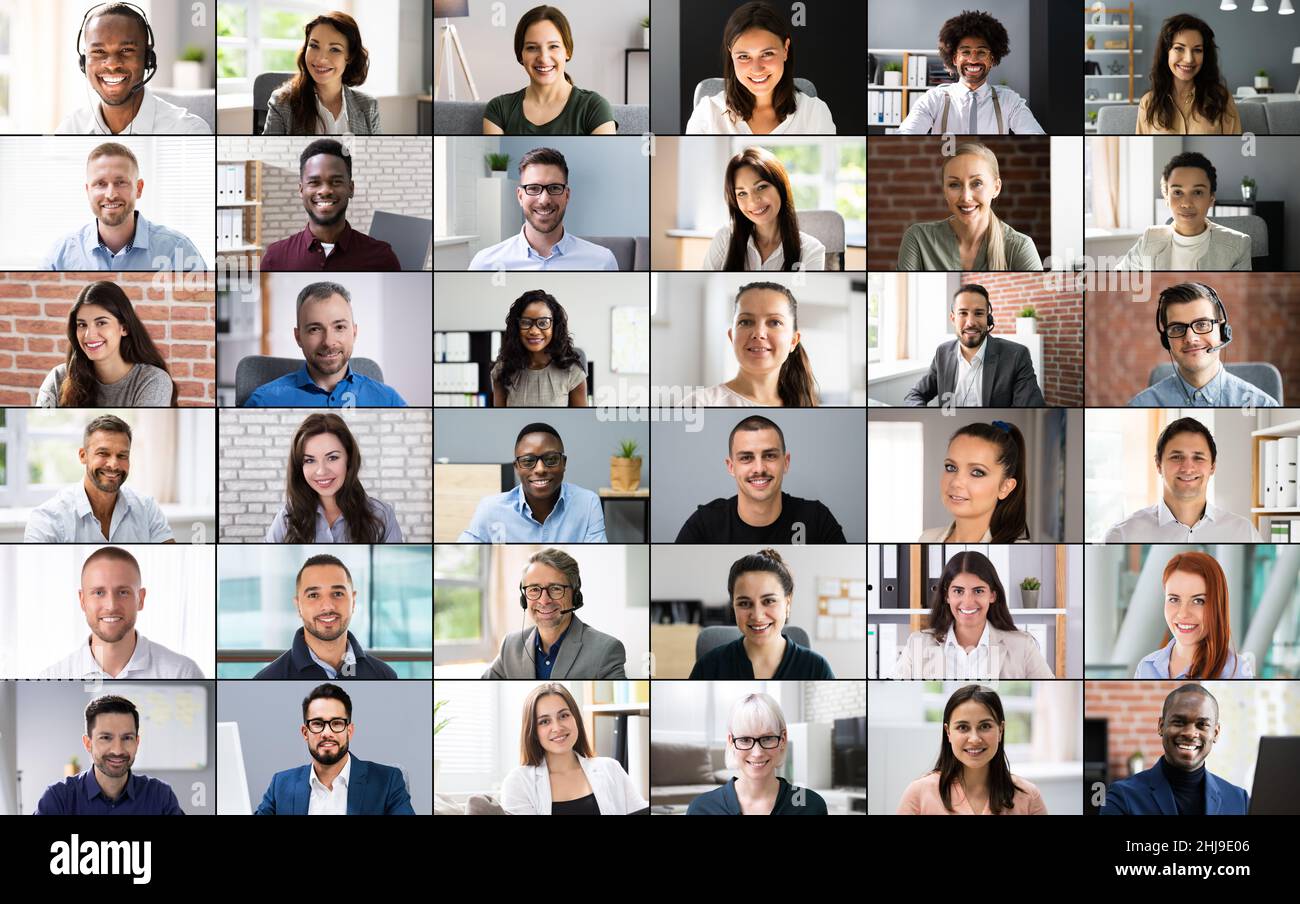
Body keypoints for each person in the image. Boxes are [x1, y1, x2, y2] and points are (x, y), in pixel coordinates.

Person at [675, 415, 846, 543]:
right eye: (746, 458)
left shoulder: (816, 519)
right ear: (731, 467)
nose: (759, 468)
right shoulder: (705, 524)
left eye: (770, 456)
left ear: (785, 463)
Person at [39, 546, 202, 678]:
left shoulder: (182, 673)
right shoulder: (52, 677)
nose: (111, 605)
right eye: (99, 593)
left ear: (141, 599)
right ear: (82, 600)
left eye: (123, 592)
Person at [254, 683, 415, 815]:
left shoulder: (387, 781)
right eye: (317, 723)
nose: (327, 733)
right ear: (305, 732)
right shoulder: (281, 784)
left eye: (336, 723)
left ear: (349, 731)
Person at [43, 142, 205, 271]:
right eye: (100, 184)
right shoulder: (62, 253)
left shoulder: (177, 249)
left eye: (121, 182)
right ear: (88, 191)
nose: (111, 194)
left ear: (139, 188)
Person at [892, 551, 1052, 680]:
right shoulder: (917, 644)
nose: (968, 602)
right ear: (947, 596)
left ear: (992, 595)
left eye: (978, 591)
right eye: (958, 591)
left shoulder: (1023, 646)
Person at [242, 281, 407, 406]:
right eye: (315, 329)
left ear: (354, 332)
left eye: (340, 327)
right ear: (298, 337)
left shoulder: (389, 400)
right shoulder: (265, 402)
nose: (328, 342)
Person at [58, 2, 210, 135]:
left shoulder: (188, 131)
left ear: (147, 59)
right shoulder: (70, 129)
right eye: (98, 51)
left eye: (126, 50)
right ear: (84, 62)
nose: (112, 64)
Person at [684, 1, 834, 135]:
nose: (756, 69)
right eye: (744, 56)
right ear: (731, 55)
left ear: (785, 50)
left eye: (767, 54)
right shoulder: (707, 113)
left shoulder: (815, 113)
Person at [1103, 417, 1261, 542]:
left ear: (1212, 466)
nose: (1187, 468)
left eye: (1198, 457)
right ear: (1158, 464)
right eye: (1177, 457)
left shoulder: (1244, 532)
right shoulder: (1122, 535)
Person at [897, 684, 1047, 815]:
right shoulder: (918, 794)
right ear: (948, 732)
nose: (974, 739)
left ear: (1000, 730)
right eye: (963, 727)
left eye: (985, 726)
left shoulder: (1029, 797)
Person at [1100, 684, 1248, 815]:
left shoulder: (1239, 800)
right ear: (1161, 726)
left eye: (1202, 724)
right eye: (1179, 722)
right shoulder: (1122, 796)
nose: (1190, 733)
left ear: (1215, 733)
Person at [501, 683, 647, 814]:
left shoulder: (610, 769)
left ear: (575, 718)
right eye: (544, 721)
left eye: (564, 715)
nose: (557, 728)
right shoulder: (518, 782)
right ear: (533, 731)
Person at [25, 415, 174, 543]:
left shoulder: (147, 509)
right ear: (83, 456)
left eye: (122, 456)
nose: (114, 465)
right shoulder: (46, 520)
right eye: (103, 453)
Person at [482, 548, 627, 679]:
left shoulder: (606, 650)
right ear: (524, 597)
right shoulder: (511, 646)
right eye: (534, 589)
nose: (544, 601)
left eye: (556, 588)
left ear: (575, 595)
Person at [689, 549, 834, 678]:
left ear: (788, 603)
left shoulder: (818, 669)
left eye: (769, 601)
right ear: (733, 606)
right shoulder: (708, 667)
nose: (757, 616)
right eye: (744, 603)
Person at [259, 139, 401, 271]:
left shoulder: (382, 257)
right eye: (314, 182)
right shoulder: (275, 257)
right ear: (301, 190)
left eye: (336, 182)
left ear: (351, 189)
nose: (325, 191)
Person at [467, 147, 618, 271]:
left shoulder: (603, 261)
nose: (544, 199)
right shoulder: (484, 264)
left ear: (567, 195)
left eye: (554, 188)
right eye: (533, 188)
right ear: (520, 196)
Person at [896, 10, 1044, 135]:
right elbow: (905, 136)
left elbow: (1035, 137)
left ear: (992, 59)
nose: (973, 60)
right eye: (965, 52)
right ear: (954, 59)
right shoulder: (934, 100)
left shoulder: (1009, 101)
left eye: (981, 52)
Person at [897, 143, 1042, 271]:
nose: (966, 197)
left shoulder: (1020, 247)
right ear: (944, 190)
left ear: (996, 188)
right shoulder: (918, 239)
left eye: (977, 183)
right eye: (954, 184)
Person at [1128, 282, 1275, 406]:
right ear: (1166, 340)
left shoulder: (1261, 404)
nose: (1191, 338)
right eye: (1177, 328)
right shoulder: (1139, 405)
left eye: (1202, 325)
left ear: (1222, 331)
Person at [254, 554, 398, 679]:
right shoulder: (267, 681)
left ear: (353, 601)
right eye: (314, 595)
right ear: (298, 605)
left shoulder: (385, 676)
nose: (328, 606)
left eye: (337, 594)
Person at [34, 695, 184, 815]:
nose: (118, 750)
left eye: (127, 738)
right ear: (88, 743)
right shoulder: (58, 798)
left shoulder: (160, 796)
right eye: (106, 738)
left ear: (137, 742)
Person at [458, 422, 607, 542]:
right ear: (517, 467)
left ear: (564, 463)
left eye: (551, 459)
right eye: (528, 461)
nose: (540, 469)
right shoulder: (491, 508)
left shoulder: (587, 503)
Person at [36, 281, 176, 408]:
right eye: (82, 324)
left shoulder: (153, 381)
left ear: (124, 328)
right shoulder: (58, 378)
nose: (89, 335)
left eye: (101, 323)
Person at [266, 413, 403, 542]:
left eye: (332, 458)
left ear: (349, 459)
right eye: (309, 460)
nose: (321, 471)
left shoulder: (382, 516)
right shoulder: (286, 520)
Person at [904, 284, 1044, 407]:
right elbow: (914, 395)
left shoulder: (1016, 356)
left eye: (978, 313)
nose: (970, 322)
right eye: (963, 313)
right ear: (953, 318)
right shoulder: (943, 353)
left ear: (988, 319)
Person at [687, 693, 828, 815]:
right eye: (745, 740)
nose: (757, 753)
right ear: (731, 742)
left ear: (783, 739)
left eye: (767, 739)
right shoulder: (701, 807)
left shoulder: (810, 804)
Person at [484, 5, 615, 135]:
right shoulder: (499, 109)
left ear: (567, 51)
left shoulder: (594, 107)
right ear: (521, 55)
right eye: (532, 47)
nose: (543, 58)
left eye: (553, 46)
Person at [682, 281, 818, 406]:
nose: (758, 333)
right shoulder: (699, 404)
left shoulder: (806, 407)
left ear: (793, 341)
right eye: (746, 322)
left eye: (775, 322)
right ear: (731, 337)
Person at [1116, 153, 1250, 271]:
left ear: (1211, 199)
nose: (1186, 203)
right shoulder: (1149, 240)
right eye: (1178, 192)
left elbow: (1239, 298)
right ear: (1167, 198)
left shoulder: (1238, 245)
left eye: (1197, 192)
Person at [701, 146, 825, 272]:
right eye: (742, 193)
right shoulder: (725, 238)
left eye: (761, 187)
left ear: (780, 187)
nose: (753, 201)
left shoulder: (811, 250)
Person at [1135, 552, 1252, 679]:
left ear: (1218, 606)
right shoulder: (1146, 667)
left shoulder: (1236, 670)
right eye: (1174, 599)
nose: (1183, 614)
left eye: (1198, 601)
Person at [264, 12, 379, 135]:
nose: (320, 59)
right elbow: (270, 154)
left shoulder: (368, 106)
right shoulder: (282, 103)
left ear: (350, 57)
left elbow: (377, 153)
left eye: (334, 49)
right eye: (314, 46)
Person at [919, 420, 1030, 542]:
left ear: (1005, 487)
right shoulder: (926, 538)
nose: (956, 482)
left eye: (977, 472)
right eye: (951, 467)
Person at [1136, 14, 1241, 135]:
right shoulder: (1148, 103)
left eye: (1197, 50)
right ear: (1166, 53)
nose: (1189, 59)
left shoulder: (1221, 99)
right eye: (1179, 48)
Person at [490, 289, 587, 407]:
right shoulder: (502, 370)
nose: (534, 331)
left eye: (543, 322)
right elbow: (501, 421)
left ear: (554, 326)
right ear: (516, 327)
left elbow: (579, 423)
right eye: (525, 322)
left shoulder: (573, 373)